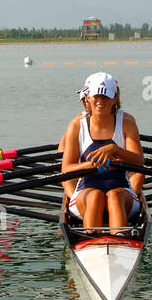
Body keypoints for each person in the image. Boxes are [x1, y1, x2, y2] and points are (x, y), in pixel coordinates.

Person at [60, 72, 146, 232]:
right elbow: (66, 169)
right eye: (96, 96)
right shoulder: (77, 126)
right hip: (84, 193)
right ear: (88, 98)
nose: (100, 101)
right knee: (95, 196)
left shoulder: (127, 124)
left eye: (106, 97)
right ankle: (92, 240)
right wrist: (91, 164)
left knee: (114, 196)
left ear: (115, 99)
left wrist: (114, 150)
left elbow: (139, 161)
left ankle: (120, 240)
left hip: (123, 193)